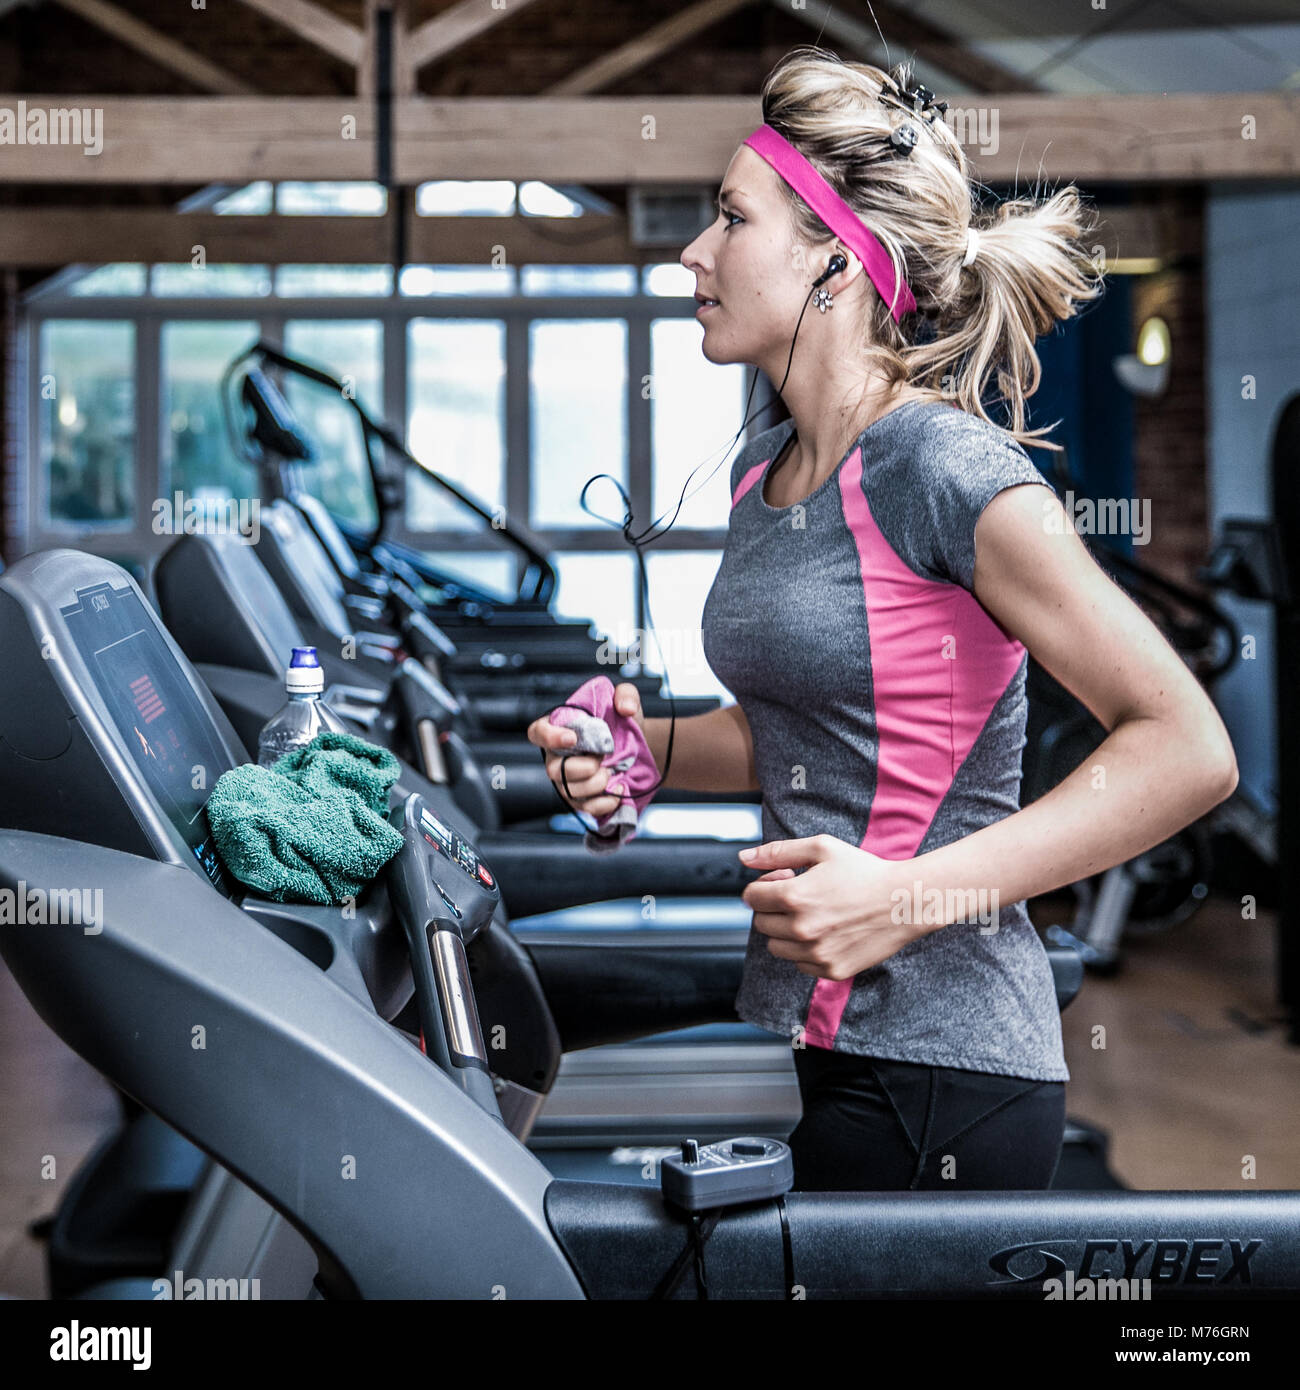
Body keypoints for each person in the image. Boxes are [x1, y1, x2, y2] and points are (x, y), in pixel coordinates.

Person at [527, 47, 1238, 1193]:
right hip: (831, 1042)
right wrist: (634, 745)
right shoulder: (769, 465)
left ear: (833, 262)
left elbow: (1187, 747)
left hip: (947, 1070)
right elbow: (807, 734)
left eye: (728, 220)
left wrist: (907, 898)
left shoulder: (945, 466)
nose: (692, 253)